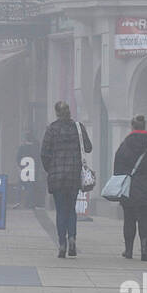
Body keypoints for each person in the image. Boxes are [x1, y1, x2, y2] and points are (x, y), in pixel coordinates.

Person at [40, 100, 92, 259]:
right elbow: (88, 147)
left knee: (61, 210)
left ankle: (62, 244)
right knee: (71, 209)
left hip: (57, 176)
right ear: (69, 112)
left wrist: (50, 169)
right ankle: (72, 238)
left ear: (57, 113)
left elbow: (44, 153)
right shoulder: (78, 127)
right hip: (74, 175)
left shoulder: (52, 130)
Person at [113, 114, 147, 261]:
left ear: (132, 127)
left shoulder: (125, 145)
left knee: (129, 219)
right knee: (145, 219)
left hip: (129, 189)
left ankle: (128, 250)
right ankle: (144, 249)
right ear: (144, 127)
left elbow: (118, 166)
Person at [14, 131, 39, 209]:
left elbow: (18, 158)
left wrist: (20, 167)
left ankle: (19, 202)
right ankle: (30, 204)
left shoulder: (22, 147)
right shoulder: (35, 148)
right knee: (31, 187)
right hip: (32, 170)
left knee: (21, 186)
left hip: (24, 170)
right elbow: (38, 160)